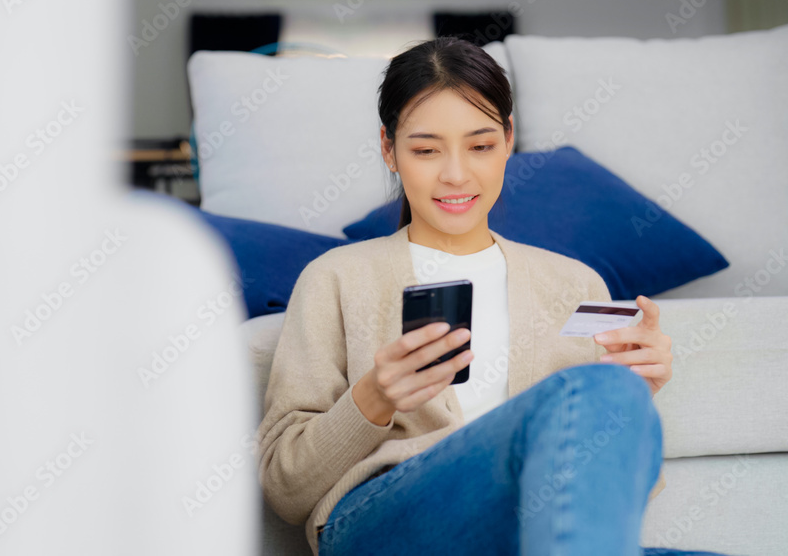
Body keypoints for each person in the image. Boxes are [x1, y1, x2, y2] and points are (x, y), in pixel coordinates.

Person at [256, 37, 728, 556]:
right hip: (387, 522)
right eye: (426, 149)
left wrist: (631, 397)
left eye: (479, 146)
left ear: (507, 140)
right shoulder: (336, 278)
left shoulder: (576, 285)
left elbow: (618, 504)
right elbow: (285, 487)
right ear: (389, 149)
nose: (456, 174)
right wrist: (374, 398)